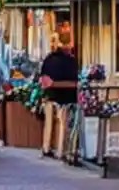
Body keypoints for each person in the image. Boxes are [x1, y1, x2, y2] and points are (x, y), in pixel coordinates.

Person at [39, 30, 79, 158]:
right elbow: (74, 79)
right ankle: (61, 150)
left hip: (50, 95)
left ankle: (46, 147)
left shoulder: (49, 59)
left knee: (49, 123)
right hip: (66, 96)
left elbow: (42, 77)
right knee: (63, 123)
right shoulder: (71, 61)